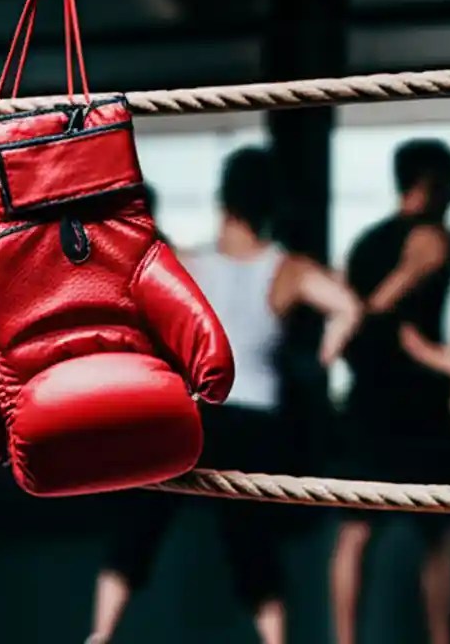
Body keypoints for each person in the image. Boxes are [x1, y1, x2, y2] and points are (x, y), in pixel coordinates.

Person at [88, 148, 362, 644]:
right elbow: (347, 306)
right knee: (251, 538)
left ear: (224, 202)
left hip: (198, 412)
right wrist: (326, 354)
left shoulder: (189, 263)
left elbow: (128, 299)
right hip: (255, 422)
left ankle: (101, 634)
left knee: (141, 516)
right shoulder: (288, 270)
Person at [331, 140, 450, 644]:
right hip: (411, 403)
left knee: (365, 531)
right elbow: (376, 309)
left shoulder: (365, 243)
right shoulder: (433, 239)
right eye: (449, 185)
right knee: (426, 535)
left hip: (377, 399)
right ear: (429, 183)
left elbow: (354, 315)